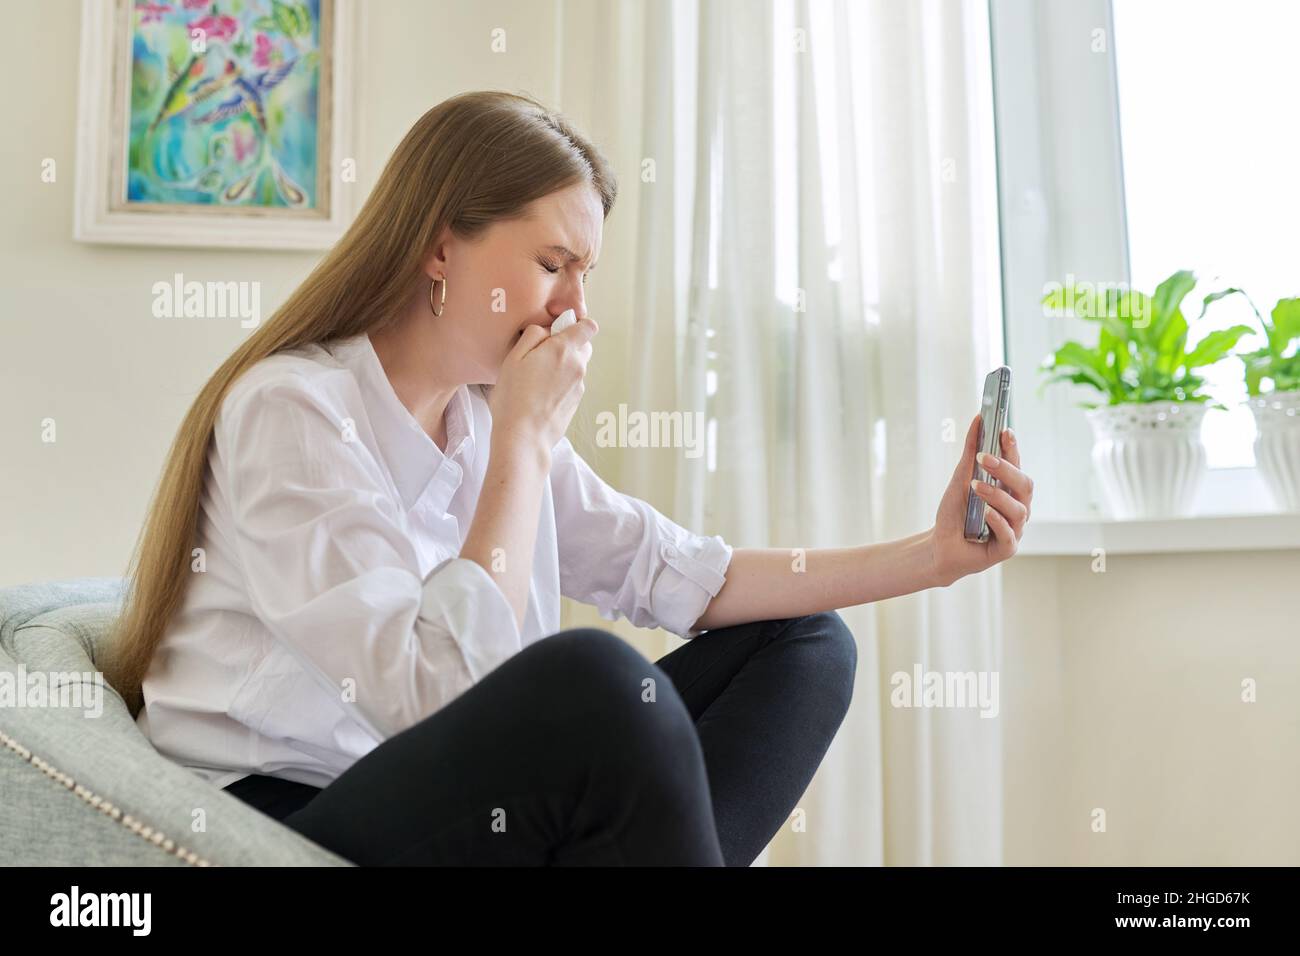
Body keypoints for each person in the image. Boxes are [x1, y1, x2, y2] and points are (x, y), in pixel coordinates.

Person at [112, 91, 1034, 867]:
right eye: (554, 265)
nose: (575, 310)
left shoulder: (483, 413)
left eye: (584, 274)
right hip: (294, 817)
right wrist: (522, 441)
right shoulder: (295, 409)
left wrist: (932, 557)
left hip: (455, 802)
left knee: (805, 642)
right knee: (589, 678)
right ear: (440, 248)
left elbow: (675, 572)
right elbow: (435, 699)